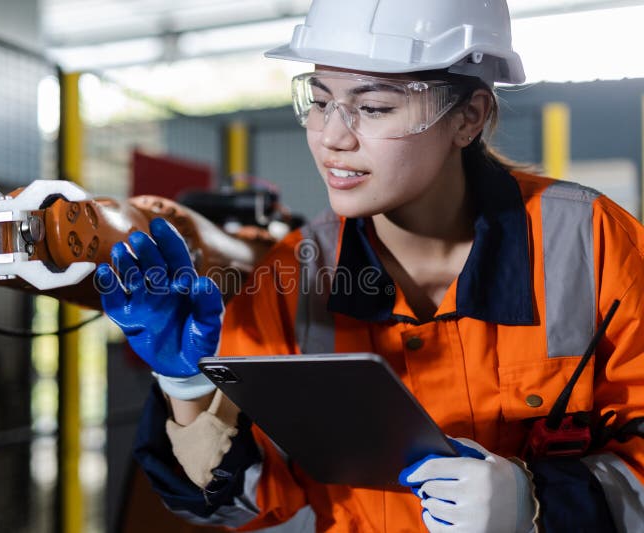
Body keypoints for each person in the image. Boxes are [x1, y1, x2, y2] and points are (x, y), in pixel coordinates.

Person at [95, 0, 644, 531]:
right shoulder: (294, 279)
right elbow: (240, 504)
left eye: (375, 106)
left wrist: (539, 503)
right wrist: (185, 386)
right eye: (319, 99)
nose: (332, 137)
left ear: (469, 117)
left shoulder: (591, 244)